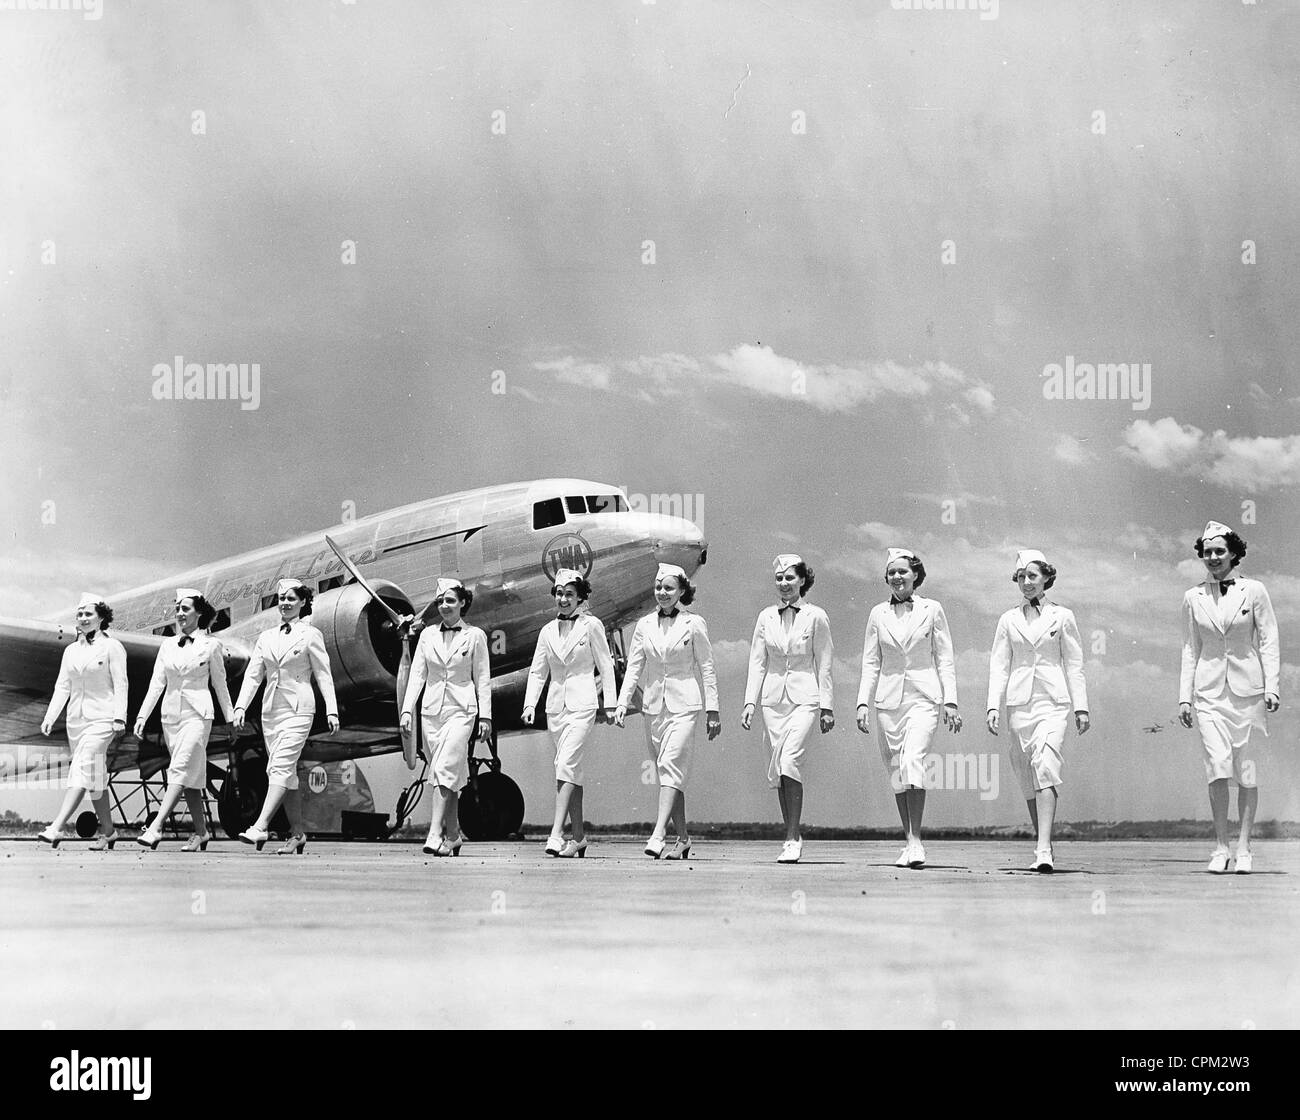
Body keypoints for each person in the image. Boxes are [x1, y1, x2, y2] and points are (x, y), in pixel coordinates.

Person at [1179, 520, 1281, 874]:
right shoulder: (1193, 597)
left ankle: (1245, 847)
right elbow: (1190, 649)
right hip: (1208, 694)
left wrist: (1272, 686)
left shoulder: (1254, 590)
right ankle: (1221, 846)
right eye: (1207, 552)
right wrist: (1184, 698)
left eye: (1220, 551)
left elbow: (1268, 640)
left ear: (1234, 553)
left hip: (1247, 692)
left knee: (1246, 771)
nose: (1213, 557)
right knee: (1217, 766)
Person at [856, 548, 960, 869]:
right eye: (891, 572)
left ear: (915, 574)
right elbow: (871, 662)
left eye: (903, 571)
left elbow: (944, 657)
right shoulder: (877, 614)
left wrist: (951, 701)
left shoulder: (933, 609)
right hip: (888, 702)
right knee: (897, 771)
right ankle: (909, 840)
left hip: (924, 698)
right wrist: (862, 702)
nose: (897, 577)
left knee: (912, 759)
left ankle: (917, 840)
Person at [986, 549, 1089, 872]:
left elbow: (1074, 664)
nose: (1026, 582)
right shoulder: (1008, 619)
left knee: (1046, 764)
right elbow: (999, 666)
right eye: (1021, 577)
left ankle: (1043, 849)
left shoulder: (1063, 616)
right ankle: (1042, 842)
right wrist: (993, 706)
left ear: (1046, 577)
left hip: (1054, 702)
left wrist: (1081, 707)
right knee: (1027, 773)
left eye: (1032, 576)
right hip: (1019, 704)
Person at [614, 563, 721, 860]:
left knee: (671, 765)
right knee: (666, 773)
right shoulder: (644, 625)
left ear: (682, 591)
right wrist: (623, 703)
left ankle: (658, 834)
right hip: (653, 706)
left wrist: (713, 709)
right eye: (659, 587)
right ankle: (683, 838)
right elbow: (634, 667)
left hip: (685, 705)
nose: (662, 593)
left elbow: (707, 667)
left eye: (669, 588)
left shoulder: (694, 623)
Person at [233, 579, 339, 853]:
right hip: (272, 712)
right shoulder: (266, 637)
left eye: (291, 598)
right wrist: (241, 706)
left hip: (299, 709)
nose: (285, 603)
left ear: (303, 602)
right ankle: (298, 833)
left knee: (278, 767)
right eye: (281, 598)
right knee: (286, 772)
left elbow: (323, 674)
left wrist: (332, 708)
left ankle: (260, 827)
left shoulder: (311, 634)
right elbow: (254, 675)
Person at [742, 554, 834, 864]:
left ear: (803, 580)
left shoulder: (816, 616)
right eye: (779, 579)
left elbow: (825, 663)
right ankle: (789, 835)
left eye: (790, 578)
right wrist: (749, 703)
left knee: (791, 758)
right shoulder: (766, 617)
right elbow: (757, 662)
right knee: (778, 767)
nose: (784, 584)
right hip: (772, 701)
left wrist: (827, 706)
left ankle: (794, 836)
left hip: (806, 698)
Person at [133, 589, 238, 851]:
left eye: (185, 608)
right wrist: (142, 715)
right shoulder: (167, 645)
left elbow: (220, 684)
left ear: (199, 613)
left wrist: (231, 718)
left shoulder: (211, 645)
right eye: (178, 608)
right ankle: (202, 833)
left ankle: (156, 827)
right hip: (171, 717)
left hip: (198, 716)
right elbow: (156, 684)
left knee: (179, 769)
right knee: (191, 776)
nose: (180, 613)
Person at [523, 568, 617, 858]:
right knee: (570, 769)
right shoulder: (547, 631)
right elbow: (538, 672)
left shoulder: (592, 626)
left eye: (569, 594)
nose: (563, 599)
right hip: (556, 708)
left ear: (580, 598)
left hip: (583, 705)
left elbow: (606, 665)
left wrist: (611, 703)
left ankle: (555, 835)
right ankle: (578, 837)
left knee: (564, 763)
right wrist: (529, 704)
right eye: (559, 594)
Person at [400, 577, 492, 857]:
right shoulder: (427, 635)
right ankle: (453, 835)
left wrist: (485, 716)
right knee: (447, 772)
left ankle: (434, 833)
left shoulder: (474, 636)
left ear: (463, 603)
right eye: (440, 601)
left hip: (462, 712)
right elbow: (417, 674)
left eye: (450, 601)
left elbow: (483, 678)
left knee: (443, 769)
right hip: (431, 713)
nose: (444, 606)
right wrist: (407, 709)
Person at [38, 593, 128, 850]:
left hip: (103, 718)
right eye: (79, 614)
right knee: (96, 778)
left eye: (88, 614)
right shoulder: (70, 651)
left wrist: (120, 717)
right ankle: (109, 832)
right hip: (76, 721)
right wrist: (50, 716)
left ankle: (57, 827)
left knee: (81, 766)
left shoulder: (113, 647)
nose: (83, 618)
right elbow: (62, 686)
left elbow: (122, 684)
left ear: (101, 617)